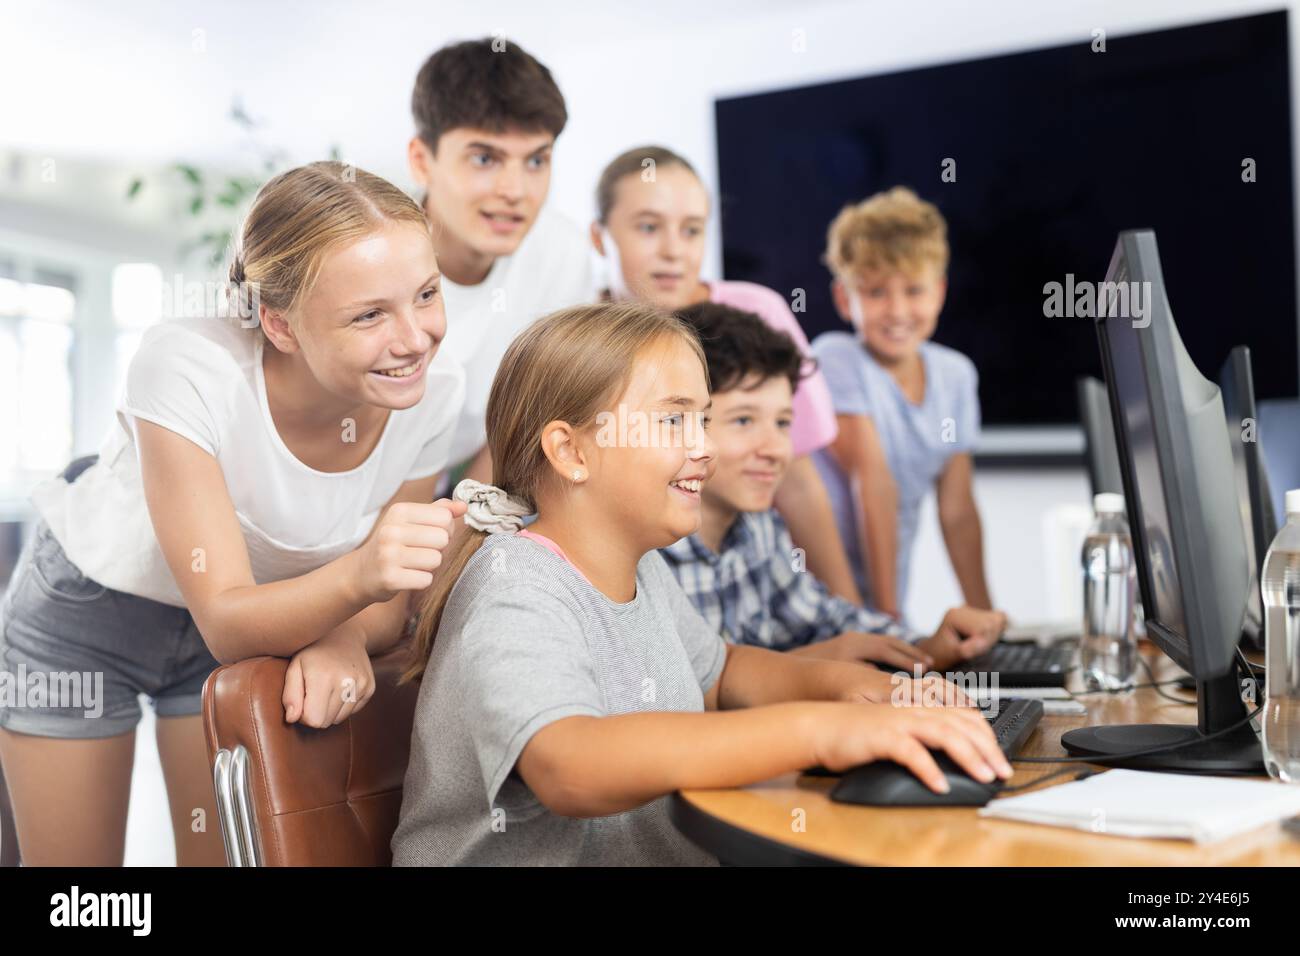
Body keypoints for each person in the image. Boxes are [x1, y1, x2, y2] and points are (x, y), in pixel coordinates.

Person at [391, 301, 1010, 866]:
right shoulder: (515, 585)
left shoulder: (639, 568)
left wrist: (859, 692)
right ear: (572, 452)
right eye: (674, 423)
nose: (704, 449)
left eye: (705, 420)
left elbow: (723, 674)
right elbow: (568, 765)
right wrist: (821, 732)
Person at [0, 162, 466, 865]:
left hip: (272, 624)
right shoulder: (190, 366)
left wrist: (343, 637)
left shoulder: (433, 396)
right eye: (369, 314)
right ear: (277, 322)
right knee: (77, 892)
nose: (415, 338)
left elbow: (387, 601)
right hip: (94, 617)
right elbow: (228, 613)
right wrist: (359, 582)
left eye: (426, 294)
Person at [589, 145, 863, 604]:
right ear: (600, 237)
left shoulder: (757, 312)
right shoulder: (577, 343)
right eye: (649, 227)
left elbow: (798, 482)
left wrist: (848, 605)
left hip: (742, 577)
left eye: (692, 230)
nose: (674, 251)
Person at [662, 301, 1006, 666]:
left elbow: (824, 619)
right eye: (744, 421)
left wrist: (928, 645)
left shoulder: (758, 528)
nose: (775, 450)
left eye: (782, 423)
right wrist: (818, 663)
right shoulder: (653, 556)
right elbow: (688, 699)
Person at [407, 38, 592, 487]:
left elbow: (532, 409)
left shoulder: (561, 253)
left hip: (451, 494)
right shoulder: (374, 261)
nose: (515, 191)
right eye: (485, 158)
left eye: (536, 160)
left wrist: (467, 519)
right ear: (422, 161)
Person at [813, 187, 995, 620]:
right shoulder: (834, 357)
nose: (897, 311)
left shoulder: (955, 376)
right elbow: (871, 483)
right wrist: (887, 620)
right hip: (822, 603)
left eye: (914, 290)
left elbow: (957, 511)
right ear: (844, 298)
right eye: (875, 293)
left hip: (883, 600)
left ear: (939, 292)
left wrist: (985, 617)